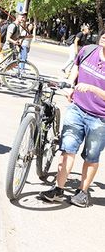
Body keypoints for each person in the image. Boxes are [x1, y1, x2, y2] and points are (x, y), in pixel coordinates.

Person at [39, 29, 105, 208]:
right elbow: (76, 66)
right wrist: (70, 84)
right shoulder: (88, 50)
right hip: (76, 109)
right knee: (67, 148)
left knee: (91, 156)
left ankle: (82, 192)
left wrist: (92, 89)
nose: (104, 36)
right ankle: (58, 190)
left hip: (100, 119)